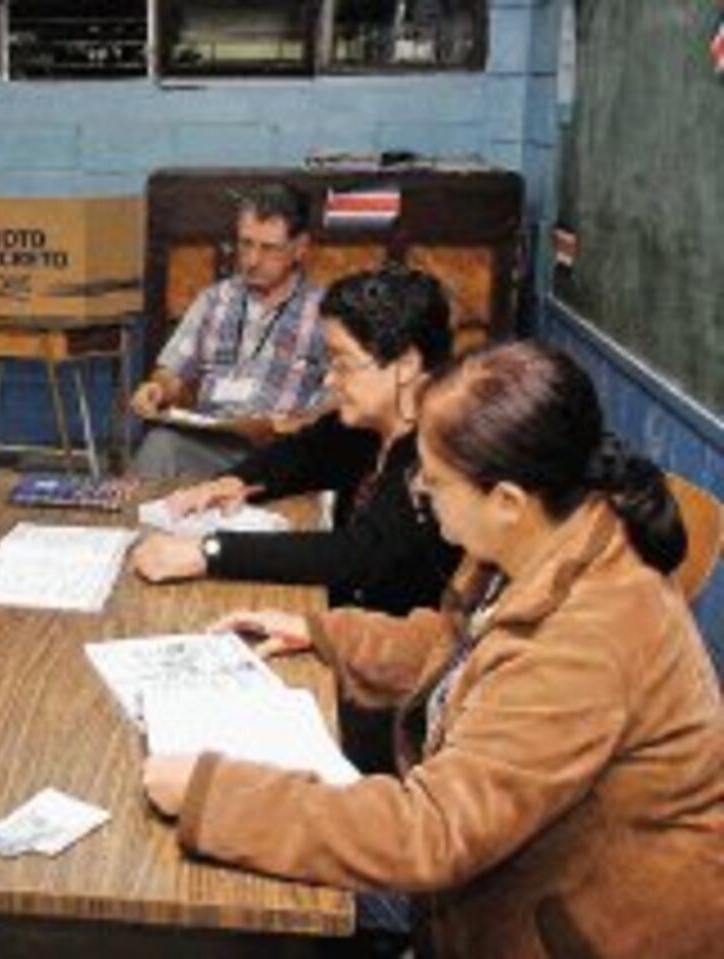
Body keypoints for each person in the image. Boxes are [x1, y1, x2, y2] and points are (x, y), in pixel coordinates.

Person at [143, 342, 724, 958]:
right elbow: (459, 645)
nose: (419, 491)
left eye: (436, 480)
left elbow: (435, 831)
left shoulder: (591, 637)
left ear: (505, 500)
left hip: (581, 934)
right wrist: (322, 633)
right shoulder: (541, 536)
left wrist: (217, 797)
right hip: (503, 892)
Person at [130, 267, 462, 618]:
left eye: (344, 363)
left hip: (389, 653)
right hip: (341, 625)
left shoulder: (439, 450)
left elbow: (355, 555)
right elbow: (302, 453)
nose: (331, 379)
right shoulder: (368, 426)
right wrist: (234, 481)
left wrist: (209, 551)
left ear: (406, 364)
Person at [129, 184, 328, 478]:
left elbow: (341, 399)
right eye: (246, 244)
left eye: (268, 248)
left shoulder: (326, 311)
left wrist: (289, 423)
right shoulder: (214, 300)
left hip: (281, 449)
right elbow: (171, 372)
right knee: (162, 444)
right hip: (214, 441)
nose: (252, 260)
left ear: (299, 248)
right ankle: (130, 522)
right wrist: (158, 389)